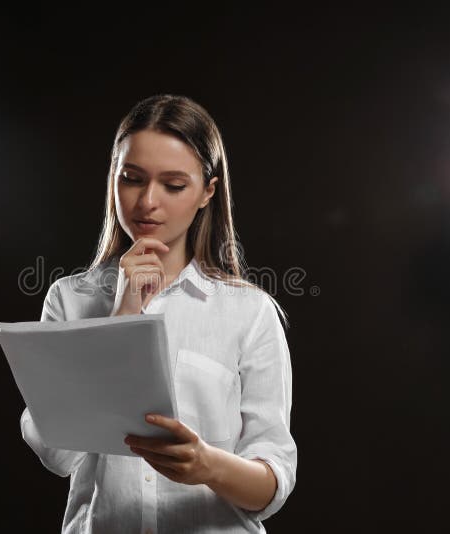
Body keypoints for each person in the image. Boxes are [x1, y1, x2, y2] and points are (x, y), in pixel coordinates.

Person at [20, 94, 296, 533]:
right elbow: (59, 457)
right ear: (113, 177)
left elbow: (272, 484)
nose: (148, 201)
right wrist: (122, 315)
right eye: (132, 178)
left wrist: (207, 465)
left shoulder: (249, 312)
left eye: (173, 185)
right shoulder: (68, 300)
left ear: (207, 191)